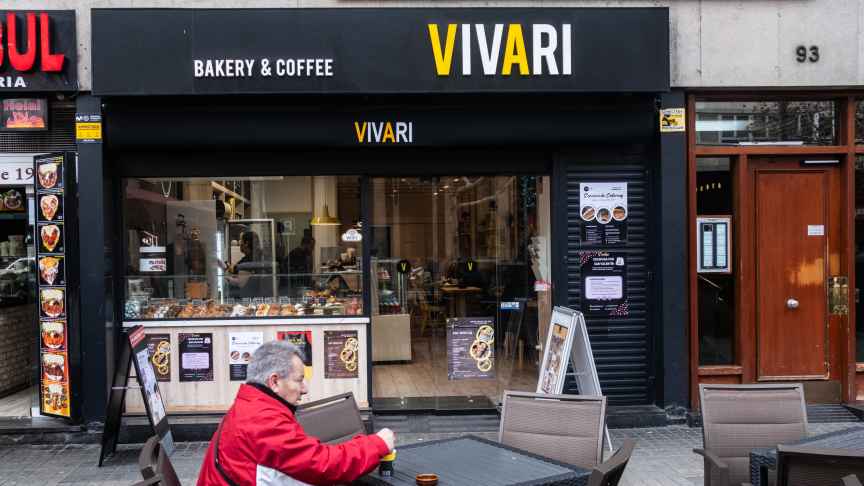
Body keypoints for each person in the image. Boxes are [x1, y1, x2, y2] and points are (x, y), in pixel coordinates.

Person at [198, 340, 395, 485]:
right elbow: (323, 465)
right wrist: (377, 444)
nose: (305, 388)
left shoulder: (249, 406)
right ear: (274, 382)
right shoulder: (263, 422)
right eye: (299, 379)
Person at [220, 230, 265, 299]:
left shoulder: (246, 262)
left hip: (248, 298)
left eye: (240, 240)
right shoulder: (258, 256)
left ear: (246, 243)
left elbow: (240, 282)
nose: (239, 242)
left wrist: (227, 277)